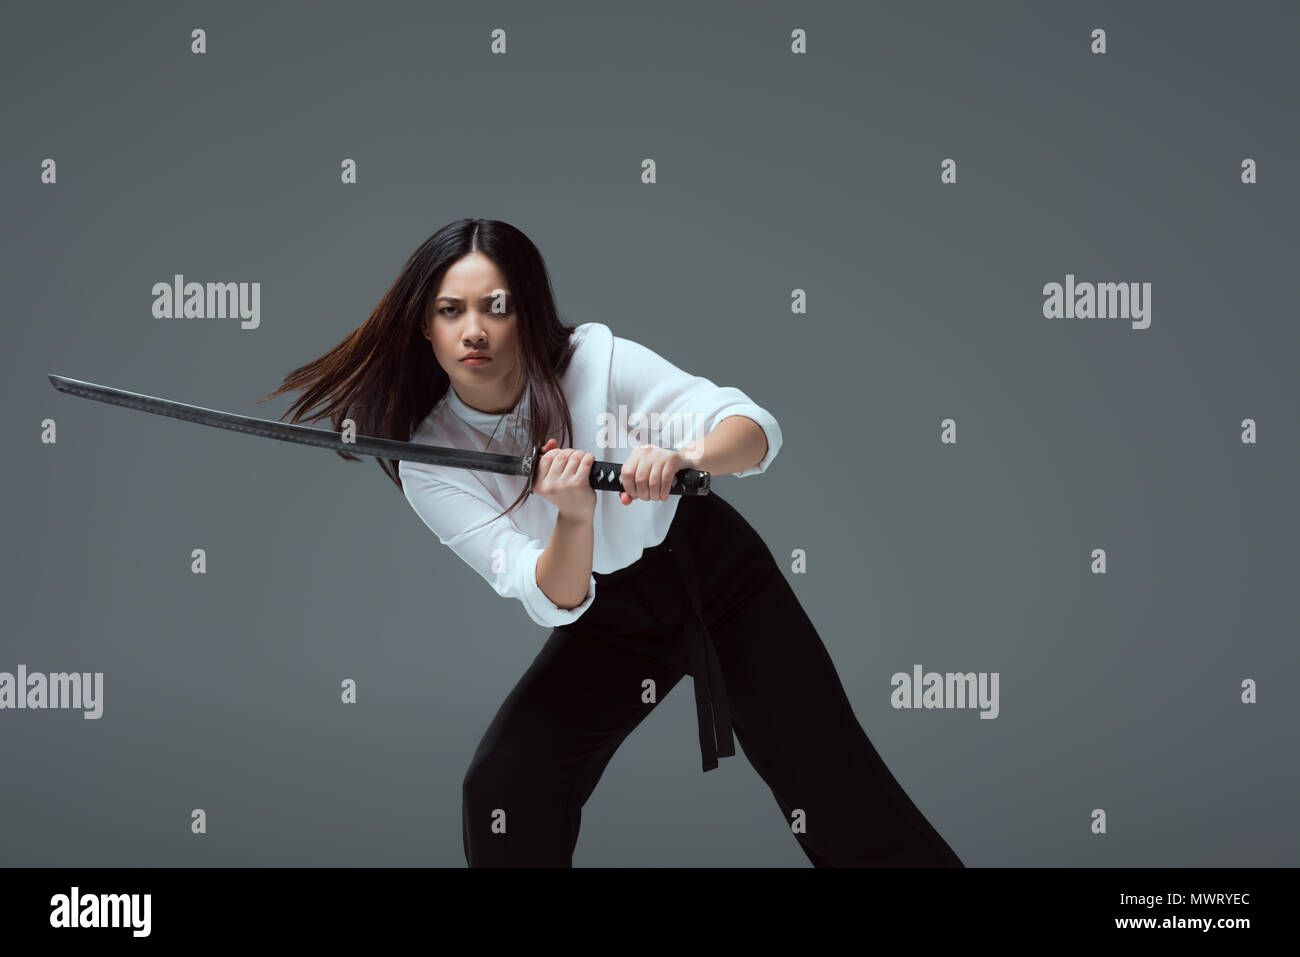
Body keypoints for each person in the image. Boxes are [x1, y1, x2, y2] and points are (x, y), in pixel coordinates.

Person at [261, 218, 964, 868]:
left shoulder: (597, 365)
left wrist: (690, 459)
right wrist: (573, 517)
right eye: (451, 311)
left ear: (526, 313)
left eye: (495, 307)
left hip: (718, 583)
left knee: (835, 789)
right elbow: (547, 594)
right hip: (607, 616)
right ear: (425, 327)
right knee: (506, 788)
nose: (473, 330)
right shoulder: (428, 457)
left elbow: (752, 427)